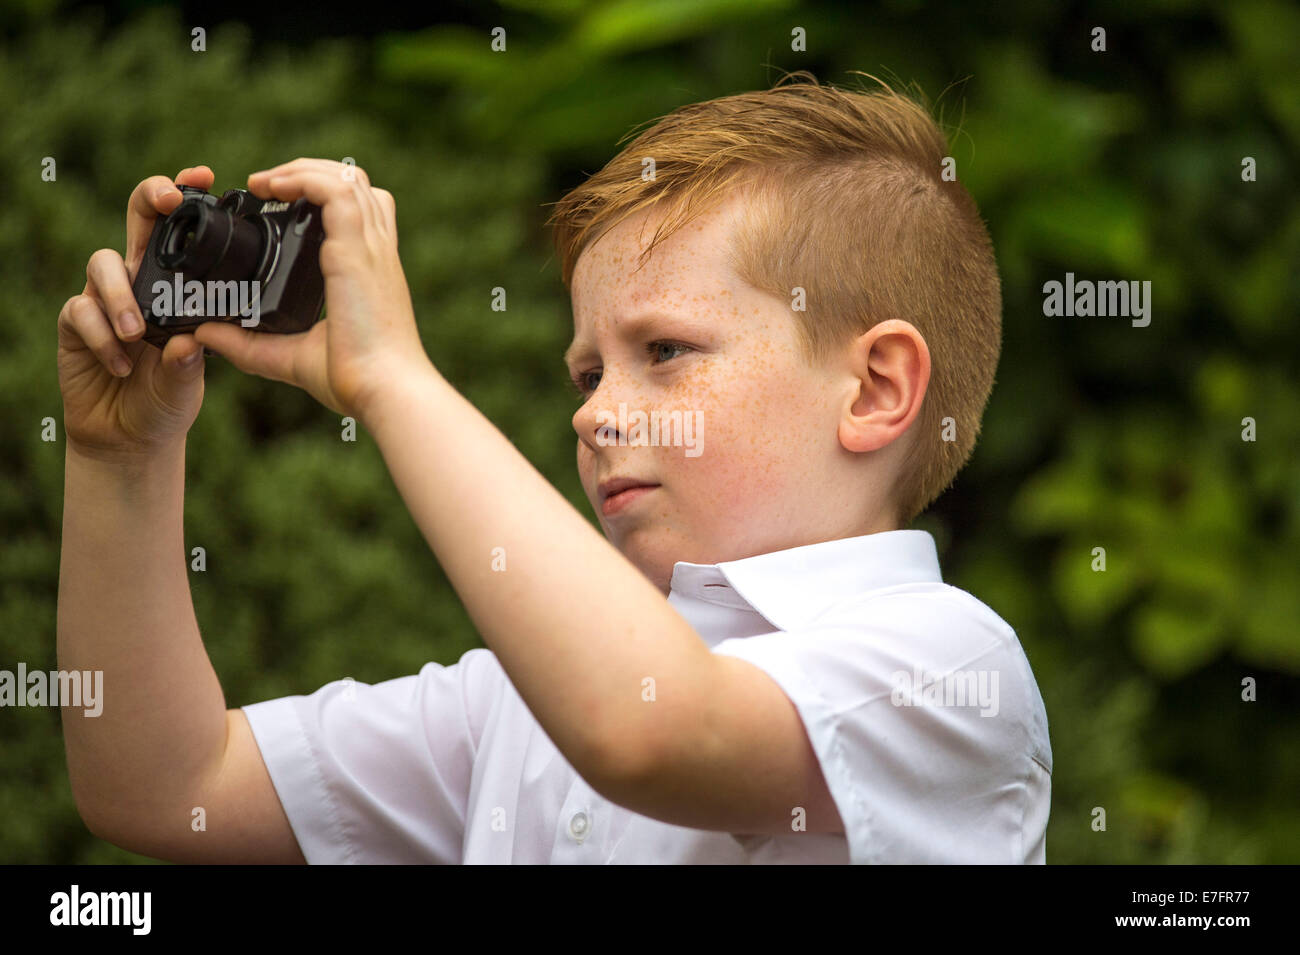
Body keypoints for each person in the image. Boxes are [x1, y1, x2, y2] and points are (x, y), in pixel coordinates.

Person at [57, 72, 1050, 864]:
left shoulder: (945, 662)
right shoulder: (513, 700)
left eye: (665, 352)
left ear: (876, 388)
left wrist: (395, 381)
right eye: (586, 371)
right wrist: (123, 457)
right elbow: (165, 789)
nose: (595, 413)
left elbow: (646, 729)